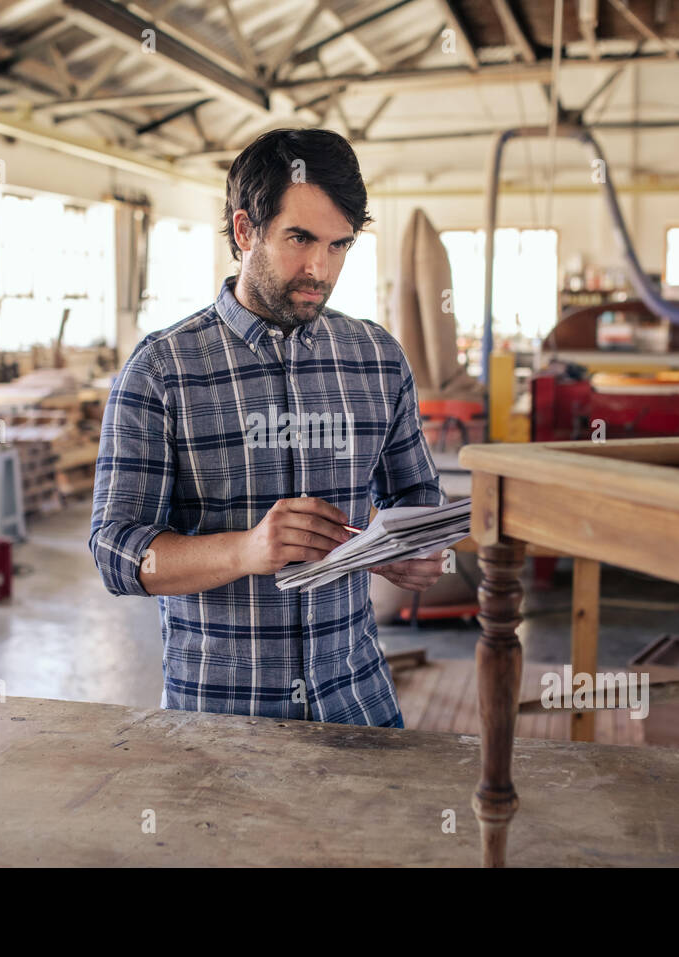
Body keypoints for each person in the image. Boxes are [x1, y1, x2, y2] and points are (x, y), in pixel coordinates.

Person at [89, 127, 446, 729]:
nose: (319, 269)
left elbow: (416, 496)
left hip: (357, 705)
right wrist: (248, 549)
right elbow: (116, 554)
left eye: (339, 246)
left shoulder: (377, 358)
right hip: (222, 718)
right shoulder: (162, 370)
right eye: (300, 239)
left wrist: (409, 549)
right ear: (244, 230)